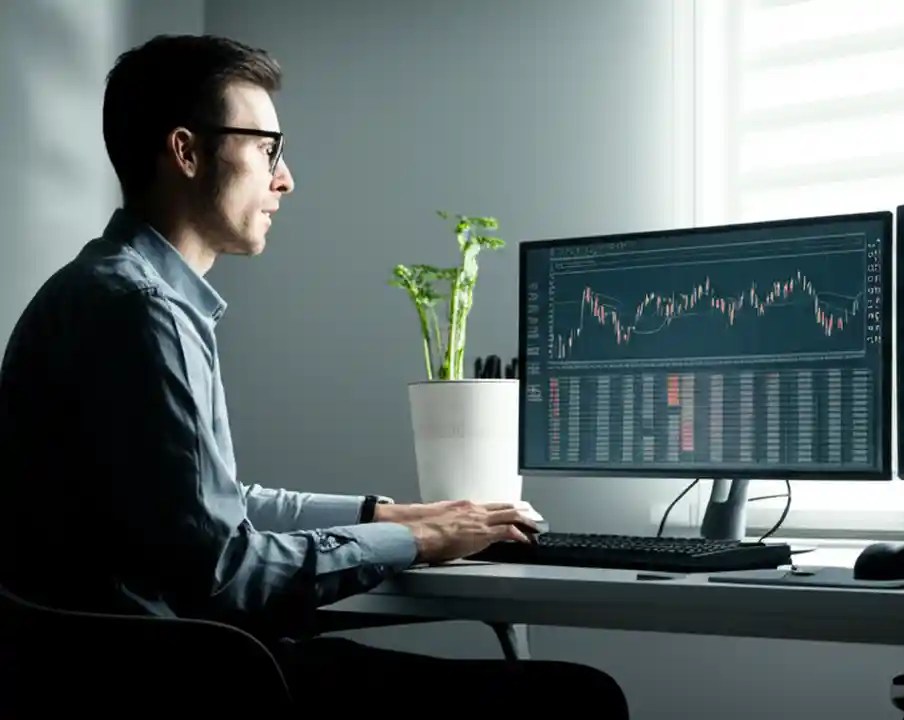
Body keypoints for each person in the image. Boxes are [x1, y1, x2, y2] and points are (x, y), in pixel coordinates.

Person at [0, 33, 628, 717]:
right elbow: (226, 571)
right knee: (578, 699)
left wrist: (386, 515)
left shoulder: (106, 290)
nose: (285, 177)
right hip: (187, 679)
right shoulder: (144, 312)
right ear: (185, 151)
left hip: (142, 667)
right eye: (267, 148)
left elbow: (213, 507)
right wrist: (419, 538)